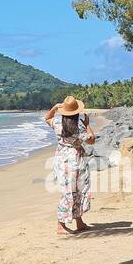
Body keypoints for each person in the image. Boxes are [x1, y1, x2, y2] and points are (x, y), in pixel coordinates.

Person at [45, 95, 96, 235]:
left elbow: (47, 118)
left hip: (62, 160)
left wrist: (54, 108)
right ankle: (60, 225)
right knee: (76, 192)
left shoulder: (57, 123)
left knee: (69, 191)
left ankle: (79, 222)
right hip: (76, 160)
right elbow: (92, 140)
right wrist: (87, 125)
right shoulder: (78, 127)